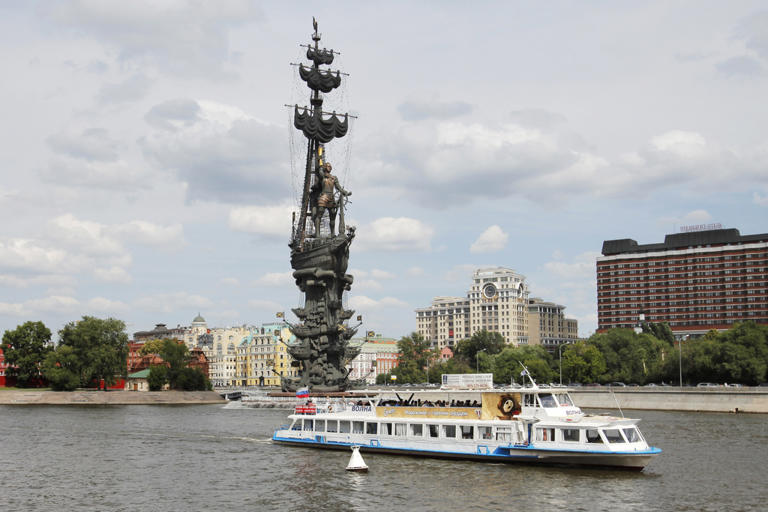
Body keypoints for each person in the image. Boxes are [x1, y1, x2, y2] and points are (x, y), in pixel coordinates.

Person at [311, 162, 351, 237]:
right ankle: (317, 234)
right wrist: (320, 166)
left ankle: (332, 234)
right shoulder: (322, 176)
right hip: (323, 197)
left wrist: (345, 193)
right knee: (319, 215)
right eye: (328, 166)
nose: (329, 167)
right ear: (325, 167)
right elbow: (320, 172)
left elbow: (338, 187)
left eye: (330, 166)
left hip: (331, 198)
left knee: (332, 215)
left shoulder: (334, 178)